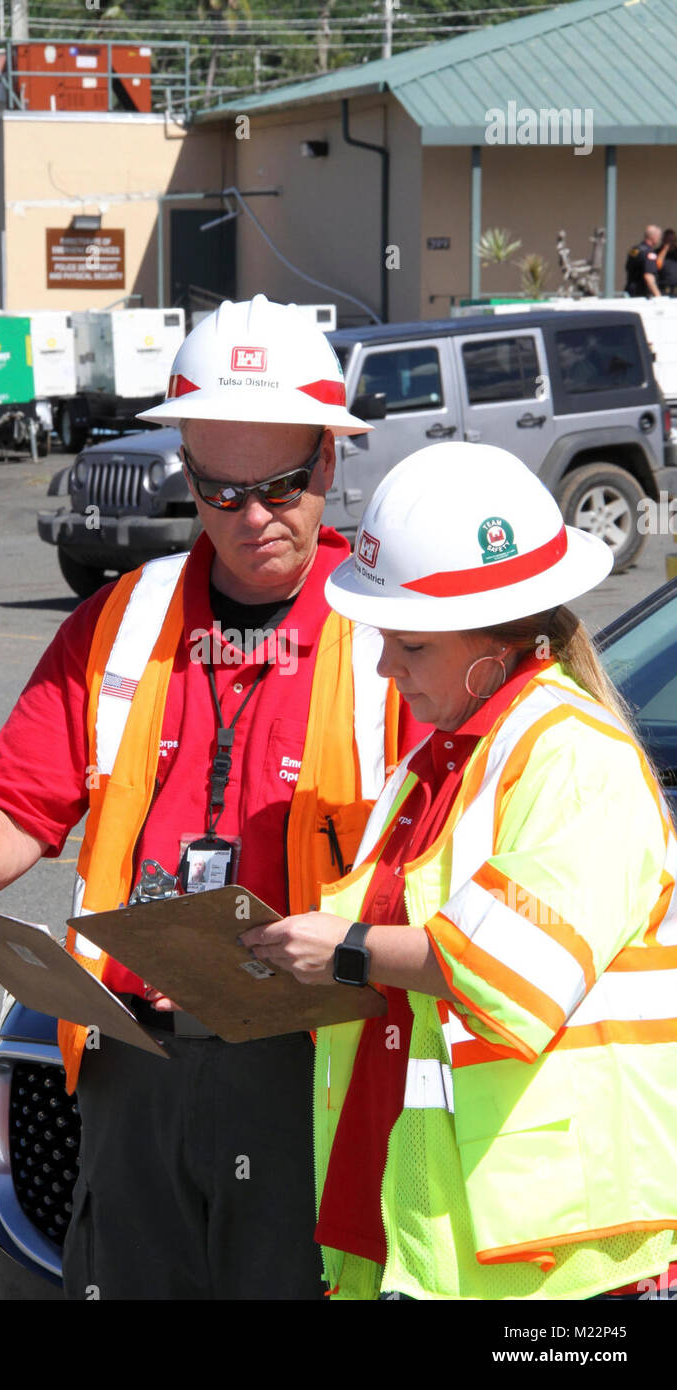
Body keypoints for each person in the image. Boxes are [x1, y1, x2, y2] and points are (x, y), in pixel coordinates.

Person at [0, 294, 426, 1301]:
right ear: (188, 474)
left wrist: (273, 966)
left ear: (326, 465)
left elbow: (440, 867)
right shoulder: (118, 623)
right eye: (221, 494)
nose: (252, 519)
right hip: (132, 1060)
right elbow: (17, 801)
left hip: (313, 1070)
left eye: (277, 488)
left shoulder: (396, 639)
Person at [241, 440, 677, 1301]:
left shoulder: (573, 759)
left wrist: (349, 949)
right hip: (425, 1237)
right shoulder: (438, 763)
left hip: (554, 1264)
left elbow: (518, 971)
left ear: (498, 641)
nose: (384, 667)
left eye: (409, 644)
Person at [625, 224, 662, 297]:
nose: (659, 239)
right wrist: (658, 296)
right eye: (659, 237)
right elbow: (648, 275)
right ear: (653, 237)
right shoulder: (649, 253)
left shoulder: (635, 250)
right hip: (641, 294)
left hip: (630, 291)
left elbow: (628, 267)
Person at [657, 227, 677, 296]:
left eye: (673, 240)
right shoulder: (657, 252)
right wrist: (665, 248)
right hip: (664, 289)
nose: (671, 243)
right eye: (669, 240)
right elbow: (658, 265)